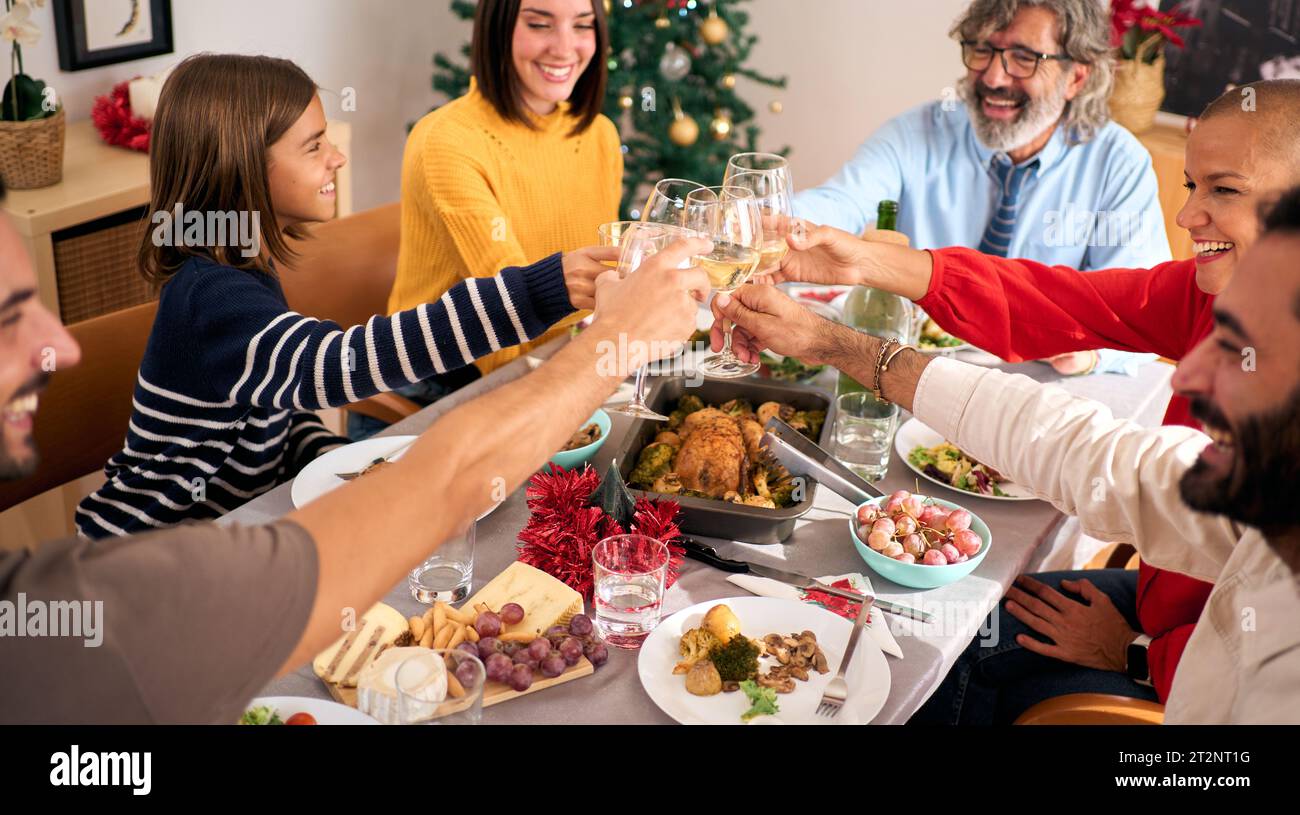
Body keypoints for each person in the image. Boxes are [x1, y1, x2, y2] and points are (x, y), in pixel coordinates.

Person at [0, 170, 712, 723]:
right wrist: (611, 344)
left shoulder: (247, 270)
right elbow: (426, 450)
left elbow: (272, 419)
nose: (60, 345)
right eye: (7, 320)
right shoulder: (64, 624)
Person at [762, 78, 1300, 712]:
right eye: (1191, 186)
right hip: (1173, 599)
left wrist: (1130, 650)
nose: (1187, 216)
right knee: (950, 624)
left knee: (944, 669)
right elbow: (1057, 299)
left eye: (1224, 190)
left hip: (1196, 663)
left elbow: (1107, 465)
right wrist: (865, 263)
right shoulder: (1226, 289)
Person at [74, 54, 615, 540]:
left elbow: (271, 412)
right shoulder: (209, 294)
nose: (336, 158)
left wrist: (337, 462)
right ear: (239, 168)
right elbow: (334, 366)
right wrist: (538, 291)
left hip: (237, 528)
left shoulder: (244, 269)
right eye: (314, 146)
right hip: (145, 556)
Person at [795, 0, 1169, 377]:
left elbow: (1145, 310)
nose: (993, 77)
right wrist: (774, 222)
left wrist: (1091, 356)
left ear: (1076, 78)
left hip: (1037, 388)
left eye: (1024, 57)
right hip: (914, 372)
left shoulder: (1117, 164)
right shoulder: (917, 132)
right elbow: (840, 201)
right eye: (983, 49)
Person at [381, 0, 622, 436]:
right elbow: (508, 306)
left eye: (582, 25)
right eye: (538, 24)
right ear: (497, 30)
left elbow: (604, 265)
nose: (565, 48)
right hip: (445, 389)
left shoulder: (599, 134)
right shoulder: (447, 140)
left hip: (550, 364)